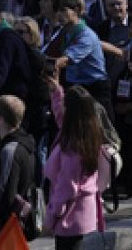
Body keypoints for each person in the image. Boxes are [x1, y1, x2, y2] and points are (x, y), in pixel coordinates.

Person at [44, 86, 110, 250]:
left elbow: (67, 187)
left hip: (69, 215)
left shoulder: (72, 146)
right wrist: (57, 92)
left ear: (71, 112)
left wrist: (51, 216)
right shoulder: (88, 133)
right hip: (81, 211)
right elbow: (60, 117)